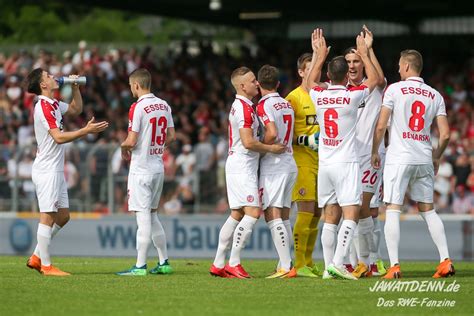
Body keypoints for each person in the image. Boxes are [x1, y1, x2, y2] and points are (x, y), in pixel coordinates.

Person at [371, 49, 455, 279]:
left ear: (407, 67)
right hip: (424, 158)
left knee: (393, 209)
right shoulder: (435, 95)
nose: (398, 69)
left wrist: (374, 151)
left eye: (399, 65)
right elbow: (446, 134)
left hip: (399, 157)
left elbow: (381, 126)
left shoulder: (395, 89)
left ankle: (395, 265)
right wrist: (436, 157)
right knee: (428, 210)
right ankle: (445, 260)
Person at [306, 29, 379, 280]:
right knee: (351, 212)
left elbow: (308, 83)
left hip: (324, 164)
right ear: (345, 74)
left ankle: (328, 268)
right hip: (346, 163)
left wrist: (318, 55)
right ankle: (338, 262)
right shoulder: (352, 95)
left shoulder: (318, 95)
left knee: (329, 216)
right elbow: (376, 78)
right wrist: (365, 52)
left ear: (328, 75)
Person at [25, 68, 108, 276]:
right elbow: (58, 137)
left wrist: (75, 88)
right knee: (47, 216)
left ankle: (36, 256)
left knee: (63, 216)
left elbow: (75, 109)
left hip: (55, 169)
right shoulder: (43, 107)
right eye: (48, 76)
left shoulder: (53, 104)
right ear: (43, 85)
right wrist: (85, 131)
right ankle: (46, 265)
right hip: (47, 170)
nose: (54, 77)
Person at [209, 67, 285, 278]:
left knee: (237, 214)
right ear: (242, 86)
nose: (257, 84)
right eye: (253, 81)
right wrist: (271, 149)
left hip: (240, 165)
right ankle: (234, 262)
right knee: (253, 212)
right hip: (242, 166)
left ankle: (217, 263)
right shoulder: (243, 109)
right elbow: (248, 142)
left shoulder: (244, 106)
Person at [116, 68, 175, 276]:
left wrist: (123, 147)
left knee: (142, 218)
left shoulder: (137, 107)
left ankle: (140, 266)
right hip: (158, 167)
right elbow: (171, 136)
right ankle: (164, 262)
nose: (131, 89)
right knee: (152, 215)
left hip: (141, 170)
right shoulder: (164, 105)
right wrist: (155, 147)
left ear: (137, 85)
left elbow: (131, 140)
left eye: (131, 86)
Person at [343, 25, 387, 278]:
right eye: (348, 61)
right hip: (347, 157)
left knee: (366, 209)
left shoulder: (375, 86)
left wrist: (368, 51)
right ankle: (361, 263)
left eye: (356, 61)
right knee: (352, 210)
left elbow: (379, 79)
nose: (351, 65)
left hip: (371, 154)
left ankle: (371, 261)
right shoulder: (339, 87)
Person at [256, 65, 298, 278]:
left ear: (258, 84)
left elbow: (271, 133)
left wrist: (261, 149)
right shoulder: (286, 104)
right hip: (290, 163)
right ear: (278, 84)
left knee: (272, 215)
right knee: (284, 216)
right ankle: (286, 262)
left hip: (274, 166)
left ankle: (286, 265)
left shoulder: (263, 105)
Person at [285, 53, 321, 278]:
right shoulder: (293, 98)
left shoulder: (322, 95)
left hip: (322, 162)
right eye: (310, 69)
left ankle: (309, 261)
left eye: (317, 68)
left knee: (317, 213)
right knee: (306, 211)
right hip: (302, 161)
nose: (314, 73)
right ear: (301, 72)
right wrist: (305, 140)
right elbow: (283, 135)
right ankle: (299, 264)